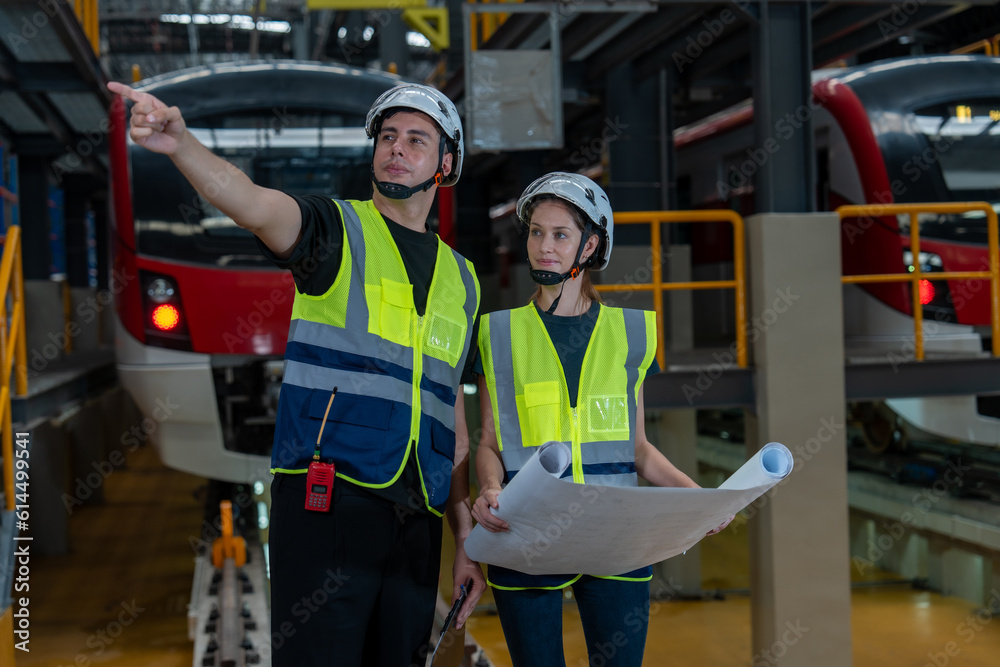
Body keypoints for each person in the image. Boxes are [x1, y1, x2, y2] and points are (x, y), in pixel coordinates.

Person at [108, 79, 486, 666]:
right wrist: (181, 145)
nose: (396, 148)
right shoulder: (334, 231)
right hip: (329, 504)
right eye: (387, 136)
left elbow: (452, 420)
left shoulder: (462, 280)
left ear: (446, 163)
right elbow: (251, 202)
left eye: (417, 140)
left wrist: (466, 539)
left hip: (417, 517)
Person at [470, 172, 731, 667]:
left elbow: (638, 449)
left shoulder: (629, 333)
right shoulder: (497, 334)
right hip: (527, 534)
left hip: (614, 538)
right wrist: (488, 487)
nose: (544, 246)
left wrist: (698, 499)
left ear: (589, 246)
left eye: (560, 234)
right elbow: (489, 442)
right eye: (536, 232)